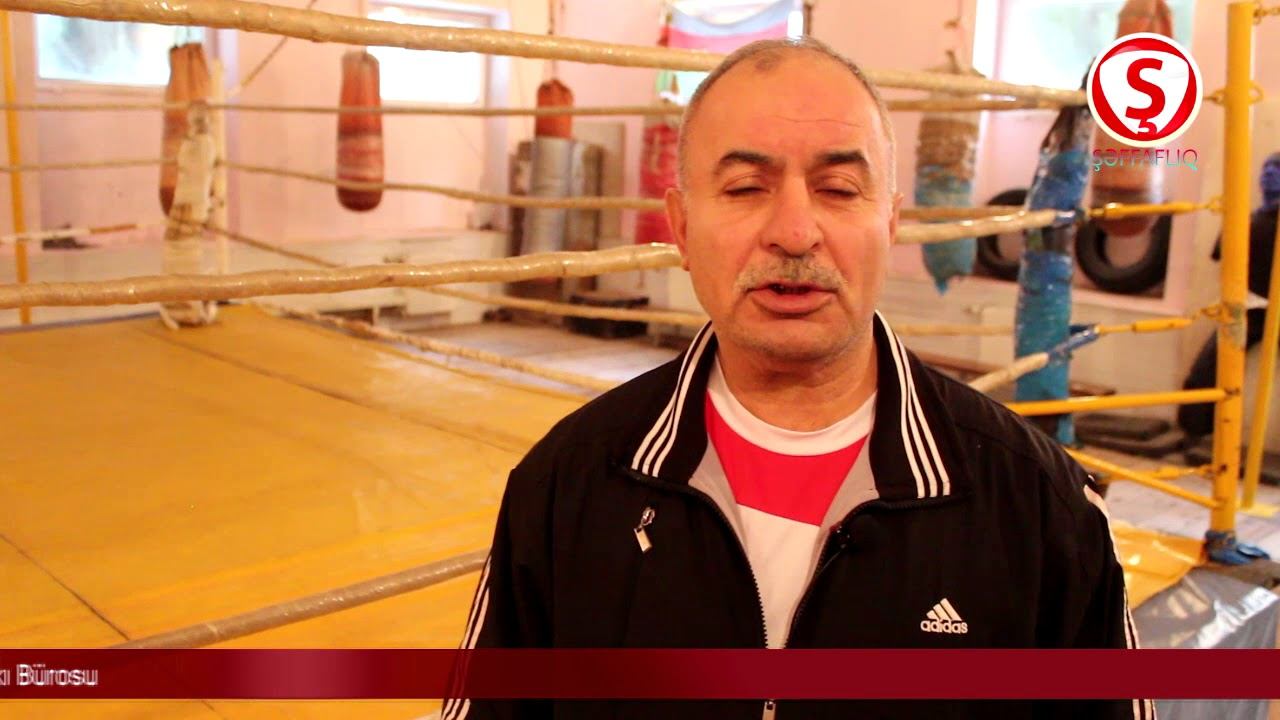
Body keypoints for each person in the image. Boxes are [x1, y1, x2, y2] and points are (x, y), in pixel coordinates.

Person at [445, 38, 1149, 720]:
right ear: (681, 227)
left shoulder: (1041, 509)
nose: (794, 231)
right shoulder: (565, 485)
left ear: (891, 221)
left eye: (838, 189)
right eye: (745, 187)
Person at [1177, 152, 1280, 437]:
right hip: (1253, 307)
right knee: (1210, 369)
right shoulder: (1251, 222)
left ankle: (1193, 430)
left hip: (1249, 307)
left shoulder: (1249, 222)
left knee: (1209, 370)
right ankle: (1194, 428)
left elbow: (1218, 255)